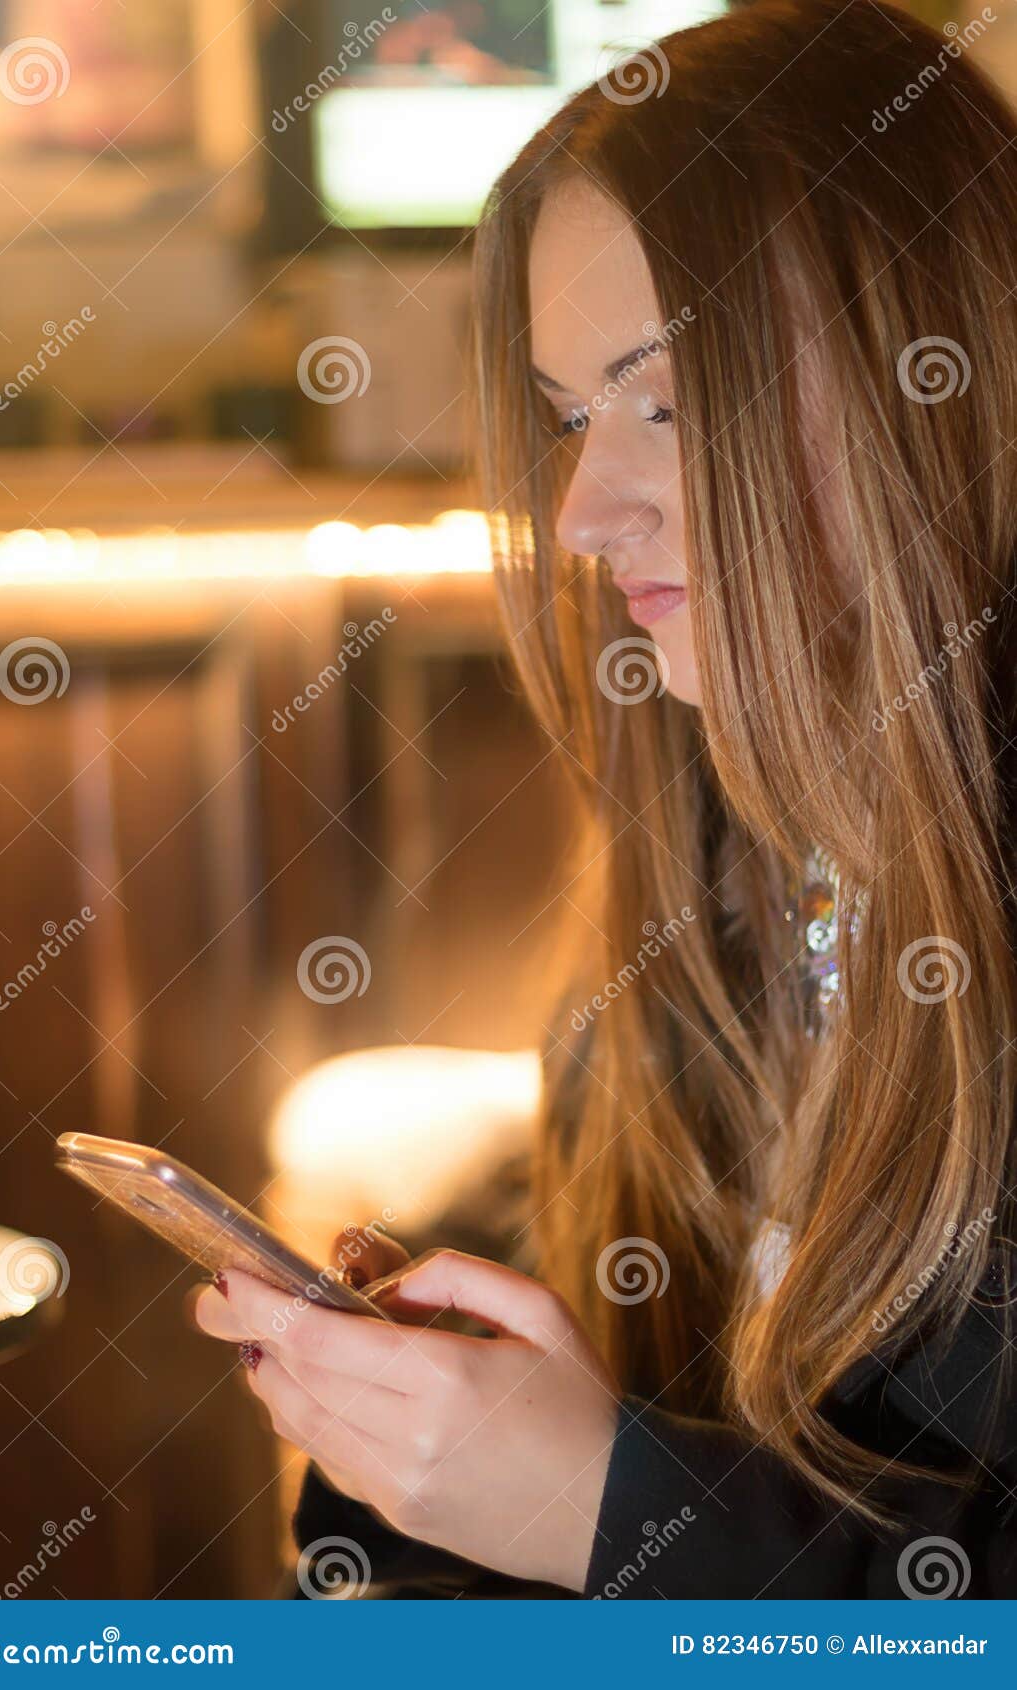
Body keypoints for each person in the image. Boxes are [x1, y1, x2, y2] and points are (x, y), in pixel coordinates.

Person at [193, 0, 1017, 1597]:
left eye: (671, 397)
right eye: (575, 415)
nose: (584, 509)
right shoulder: (724, 850)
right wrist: (441, 1449)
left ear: (938, 367)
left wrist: (602, 1501)